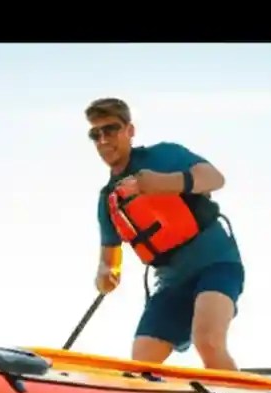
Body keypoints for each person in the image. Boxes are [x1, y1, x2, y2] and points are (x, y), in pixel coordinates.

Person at [85, 97, 244, 371]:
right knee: (141, 362)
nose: (102, 140)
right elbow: (109, 262)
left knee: (207, 341)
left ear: (129, 131)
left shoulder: (164, 155)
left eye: (110, 129)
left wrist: (161, 183)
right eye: (94, 134)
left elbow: (215, 178)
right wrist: (104, 277)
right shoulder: (107, 200)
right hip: (171, 283)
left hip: (216, 264)